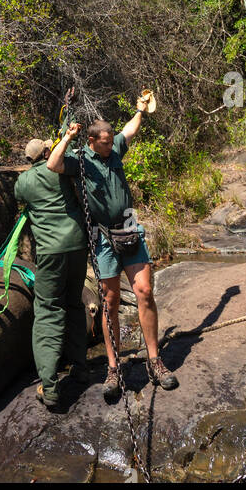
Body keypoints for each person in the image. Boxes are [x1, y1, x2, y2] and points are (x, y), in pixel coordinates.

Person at [47, 95, 178, 397]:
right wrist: (67, 138)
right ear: (92, 141)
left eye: (111, 141)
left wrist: (140, 111)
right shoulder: (79, 160)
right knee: (110, 303)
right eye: (105, 142)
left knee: (144, 291)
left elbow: (130, 131)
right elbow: (53, 163)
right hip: (103, 238)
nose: (111, 145)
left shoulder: (116, 148)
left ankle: (155, 361)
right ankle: (113, 368)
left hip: (130, 228)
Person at [15, 96, 89, 410]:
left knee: (47, 313)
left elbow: (23, 201)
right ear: (46, 153)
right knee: (73, 303)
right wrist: (68, 111)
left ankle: (51, 386)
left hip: (50, 253)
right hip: (77, 246)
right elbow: (65, 142)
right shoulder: (62, 168)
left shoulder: (23, 182)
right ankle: (81, 367)